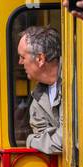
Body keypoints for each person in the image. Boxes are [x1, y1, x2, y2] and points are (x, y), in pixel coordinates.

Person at [17, 24, 62, 154]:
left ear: (40, 59)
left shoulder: (72, 81)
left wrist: (30, 140)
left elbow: (64, 140)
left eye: (22, 57)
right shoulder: (39, 95)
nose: (20, 62)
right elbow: (42, 134)